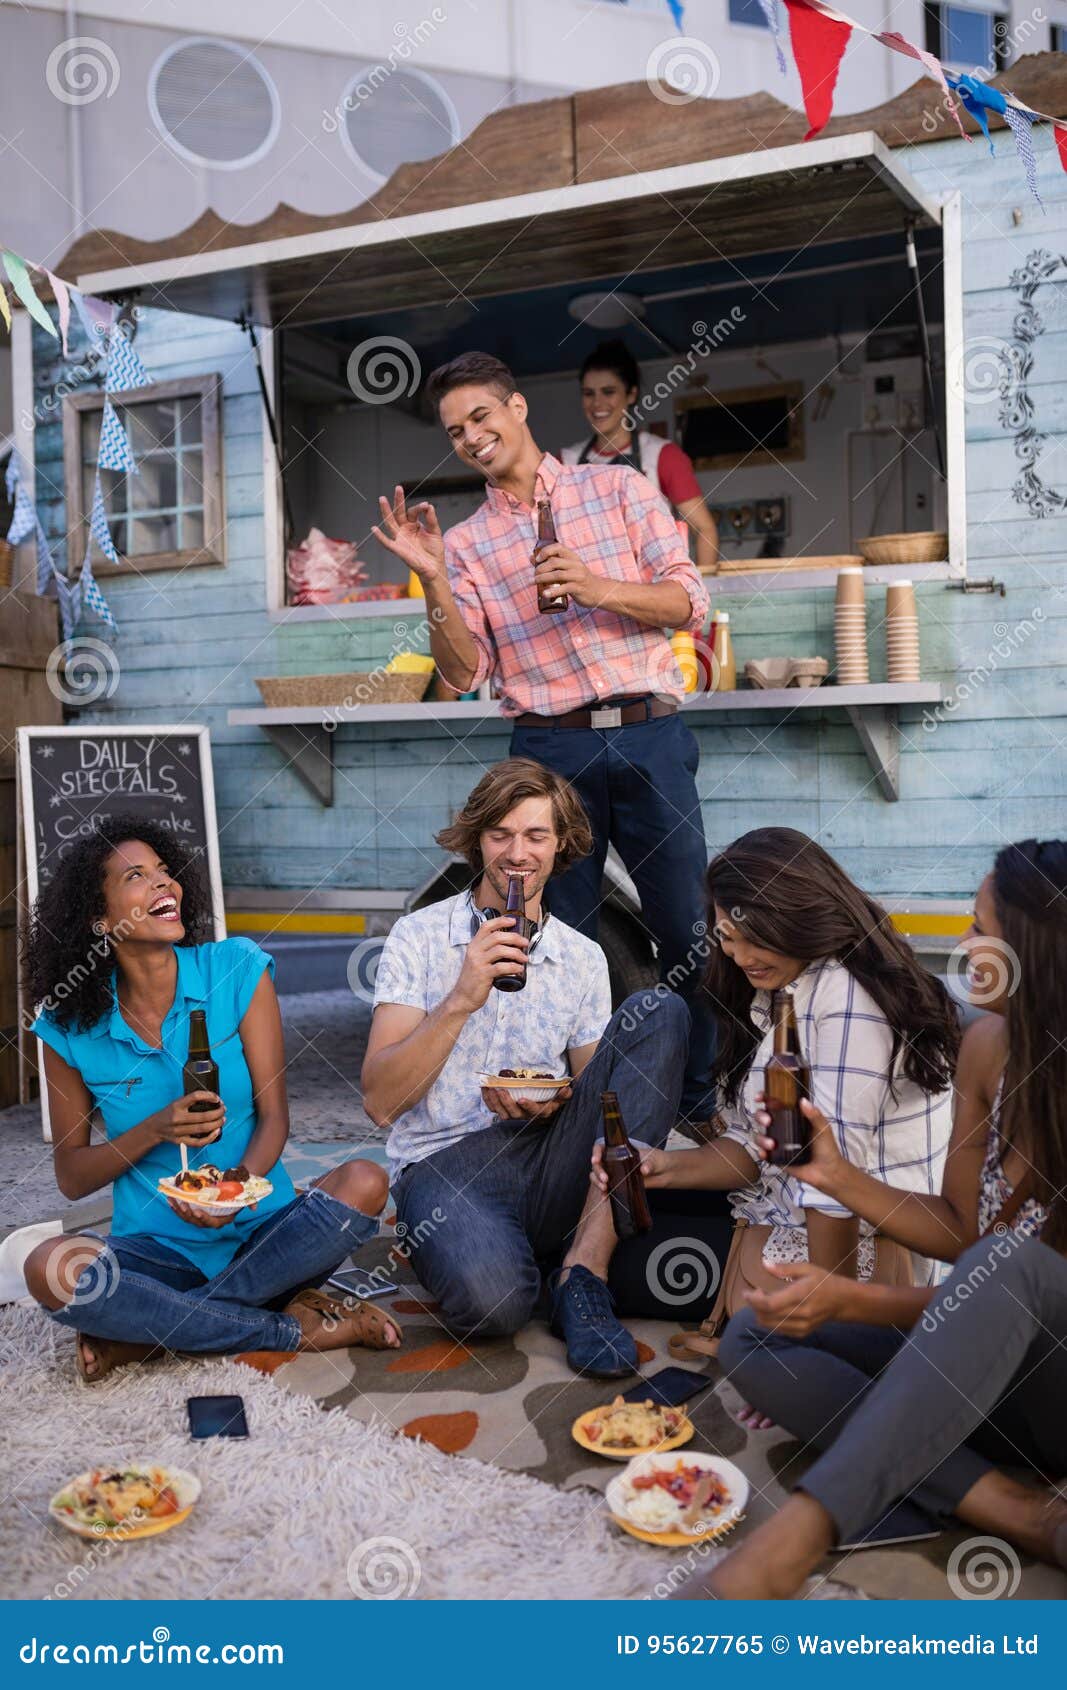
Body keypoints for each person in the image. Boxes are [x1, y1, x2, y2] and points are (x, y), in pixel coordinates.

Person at [683, 838, 1067, 1600]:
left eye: (979, 926)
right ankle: (1018, 1512)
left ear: (1036, 949)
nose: (964, 943)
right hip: (996, 1380)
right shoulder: (986, 1048)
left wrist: (858, 1300)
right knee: (754, 1338)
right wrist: (834, 1174)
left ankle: (792, 1542)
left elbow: (1005, 1278)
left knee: (1007, 1266)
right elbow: (960, 1231)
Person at [372, 350, 716, 1128]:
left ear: (517, 408)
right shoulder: (465, 543)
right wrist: (432, 579)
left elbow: (686, 600)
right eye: (455, 431)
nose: (471, 437)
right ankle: (568, 1111)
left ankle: (695, 1105)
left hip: (648, 734)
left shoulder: (618, 488)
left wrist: (595, 587)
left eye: (480, 417)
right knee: (553, 941)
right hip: (548, 754)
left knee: (686, 932)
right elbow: (463, 671)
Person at [589, 828, 958, 1420]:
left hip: (858, 1249)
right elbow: (755, 1146)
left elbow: (833, 1184)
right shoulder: (788, 988)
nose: (739, 956)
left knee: (631, 1275)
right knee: (606, 1234)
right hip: (772, 1213)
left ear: (801, 917)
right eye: (728, 937)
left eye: (756, 937)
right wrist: (663, 1166)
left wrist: (821, 1344)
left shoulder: (845, 1000)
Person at [22, 817, 400, 1382]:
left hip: (263, 1230)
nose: (163, 883)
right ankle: (284, 1329)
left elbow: (275, 1118)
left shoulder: (236, 970)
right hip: (156, 1249)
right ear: (99, 920)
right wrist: (155, 1129)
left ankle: (149, 1335)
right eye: (136, 876)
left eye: (164, 871)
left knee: (365, 1180)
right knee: (49, 1268)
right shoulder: (68, 1025)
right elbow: (72, 1177)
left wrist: (234, 1193)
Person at [360, 758, 690, 1378]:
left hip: (545, 1153)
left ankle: (583, 1269)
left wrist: (554, 1104)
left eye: (536, 835)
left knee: (661, 1011)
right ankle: (519, 1252)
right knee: (495, 1305)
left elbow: (604, 1101)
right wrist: (462, 997)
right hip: (444, 1167)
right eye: (500, 835)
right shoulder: (418, 937)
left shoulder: (583, 957)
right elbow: (380, 1102)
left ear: (560, 844)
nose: (517, 854)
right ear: (476, 841)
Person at [561, 337, 719, 572]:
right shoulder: (566, 463)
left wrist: (700, 589)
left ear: (631, 394)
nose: (597, 403)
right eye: (588, 393)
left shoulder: (662, 456)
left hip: (656, 589)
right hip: (590, 591)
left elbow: (705, 530)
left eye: (608, 392)